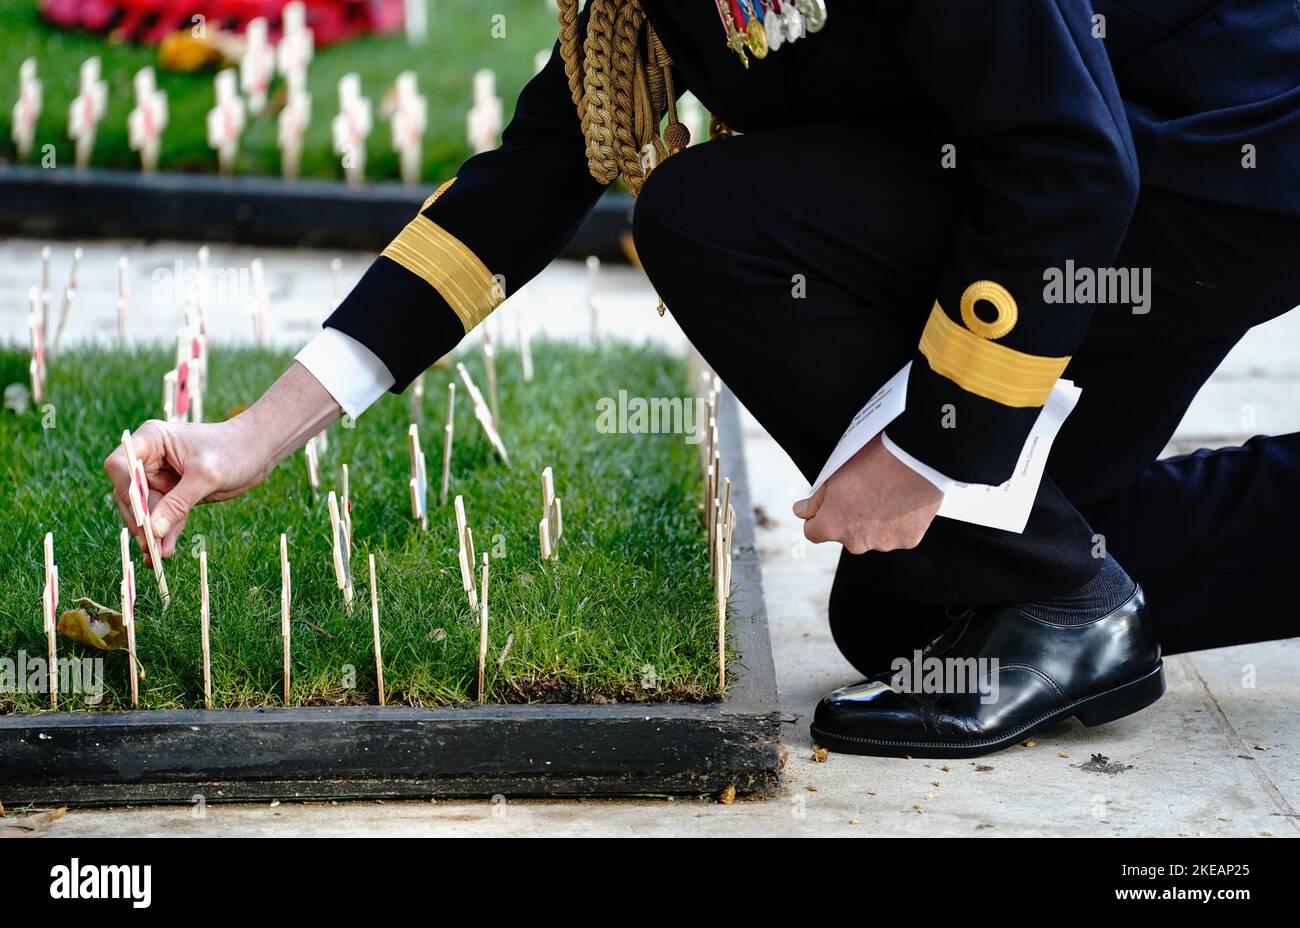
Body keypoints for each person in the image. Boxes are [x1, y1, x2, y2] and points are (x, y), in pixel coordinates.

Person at [106, 0, 1300, 758]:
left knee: (713, 216)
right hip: (1086, 196)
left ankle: (1065, 599)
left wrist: (930, 442)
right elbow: (528, 180)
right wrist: (251, 435)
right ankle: (1078, 584)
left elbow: (1069, 162)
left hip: (1206, 162)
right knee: (914, 613)